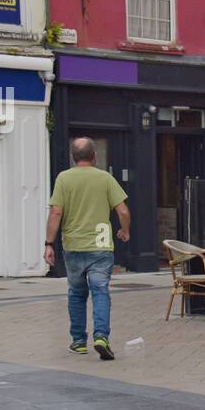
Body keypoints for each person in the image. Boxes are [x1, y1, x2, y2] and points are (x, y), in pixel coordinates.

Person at [44, 138, 131, 359]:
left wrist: (48, 244)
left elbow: (55, 212)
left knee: (76, 293)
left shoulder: (64, 178)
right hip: (101, 247)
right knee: (100, 291)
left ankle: (79, 341)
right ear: (94, 157)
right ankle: (101, 336)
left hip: (73, 245)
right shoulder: (105, 178)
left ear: (74, 158)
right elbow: (122, 210)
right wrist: (125, 231)